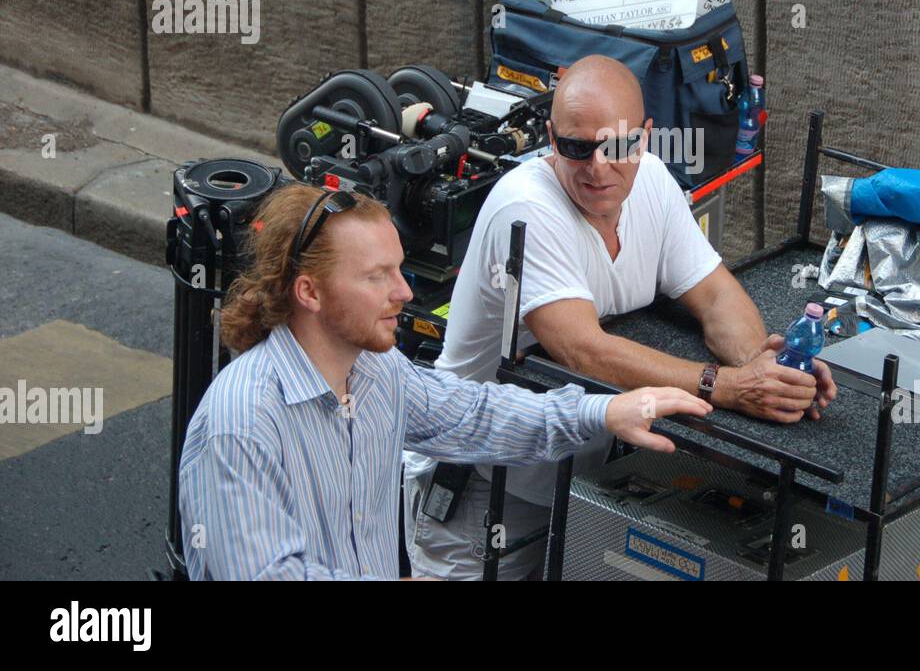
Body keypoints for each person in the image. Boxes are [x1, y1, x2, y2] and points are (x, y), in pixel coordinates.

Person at [405, 54, 836, 579]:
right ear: (551, 138)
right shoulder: (526, 208)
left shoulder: (652, 182)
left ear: (646, 136)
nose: (598, 167)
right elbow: (581, 349)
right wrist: (724, 385)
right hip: (483, 480)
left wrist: (765, 372)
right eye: (576, 147)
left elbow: (717, 296)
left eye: (619, 145)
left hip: (582, 475)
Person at [178, 181, 708, 580]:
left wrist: (603, 411)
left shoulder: (375, 370)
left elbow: (473, 415)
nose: (405, 293)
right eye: (376, 276)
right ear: (309, 293)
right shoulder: (241, 425)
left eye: (400, 269)